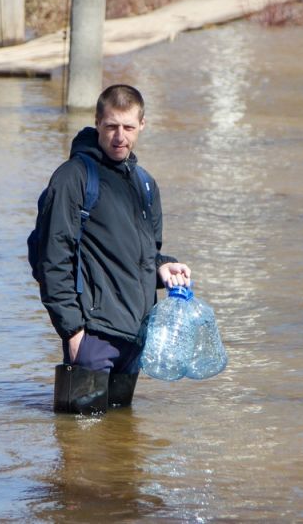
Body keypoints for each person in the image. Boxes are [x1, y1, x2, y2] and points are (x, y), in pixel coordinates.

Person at [35, 84, 191, 414]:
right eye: (111, 126)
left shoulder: (145, 184)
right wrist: (72, 331)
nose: (120, 136)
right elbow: (50, 259)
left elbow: (145, 254)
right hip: (92, 339)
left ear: (142, 126)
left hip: (134, 339)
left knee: (123, 450)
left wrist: (163, 268)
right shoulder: (72, 178)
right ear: (97, 123)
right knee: (81, 449)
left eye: (129, 127)